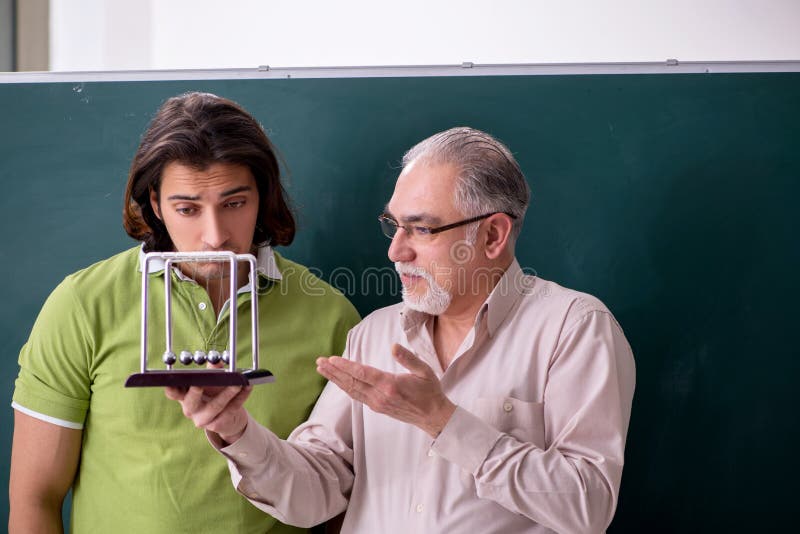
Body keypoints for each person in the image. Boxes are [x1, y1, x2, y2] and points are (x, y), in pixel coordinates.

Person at [169, 126, 636, 533]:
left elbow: (588, 505)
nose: (396, 251)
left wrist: (444, 421)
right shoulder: (374, 335)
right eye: (393, 224)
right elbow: (314, 494)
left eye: (421, 229)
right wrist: (236, 432)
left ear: (493, 236)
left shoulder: (573, 330)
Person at [9, 92, 360, 534]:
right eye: (187, 208)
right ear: (155, 204)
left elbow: (340, 502)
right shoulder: (82, 304)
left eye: (234, 203)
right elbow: (35, 498)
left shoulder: (331, 317)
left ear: (262, 197)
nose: (214, 236)